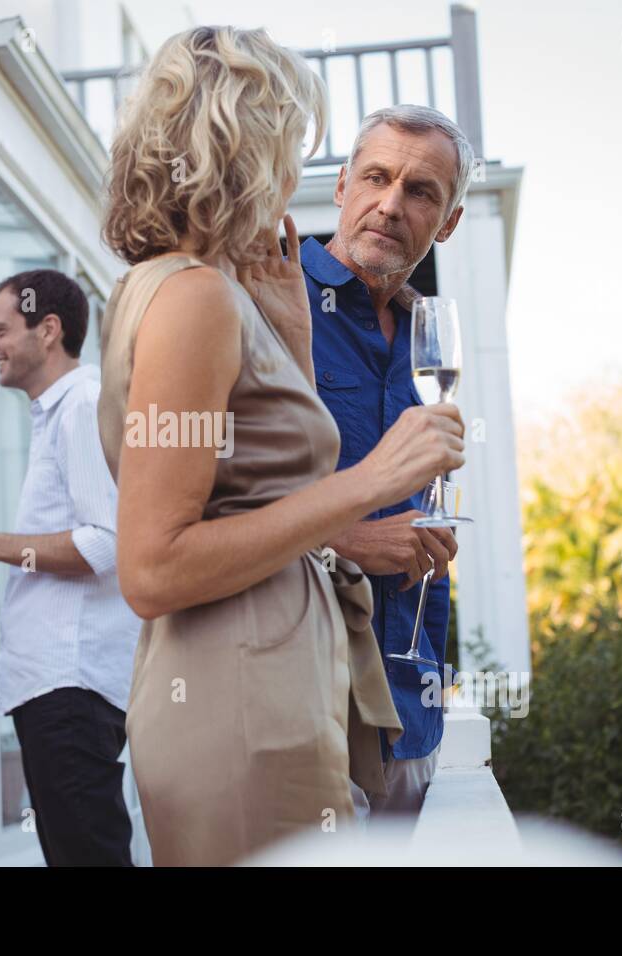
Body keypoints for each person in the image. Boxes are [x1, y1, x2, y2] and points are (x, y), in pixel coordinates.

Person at [95, 25, 466, 866]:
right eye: (292, 140)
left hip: (268, 692)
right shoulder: (193, 299)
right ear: (245, 147)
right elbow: (152, 567)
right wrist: (376, 477)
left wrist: (294, 341)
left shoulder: (202, 289)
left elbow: (252, 486)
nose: (295, 171)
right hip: (239, 706)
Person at [0, 269, 139, 866]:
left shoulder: (81, 406)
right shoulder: (60, 412)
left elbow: (106, 543)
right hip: (60, 689)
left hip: (70, 687)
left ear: (48, 331)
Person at [308, 105, 474, 816]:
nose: (390, 203)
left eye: (421, 191)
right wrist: (346, 539)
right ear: (342, 186)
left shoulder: (429, 339)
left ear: (448, 223)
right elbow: (201, 504)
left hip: (410, 708)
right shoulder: (270, 306)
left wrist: (428, 537)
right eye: (376, 177)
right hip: (305, 697)